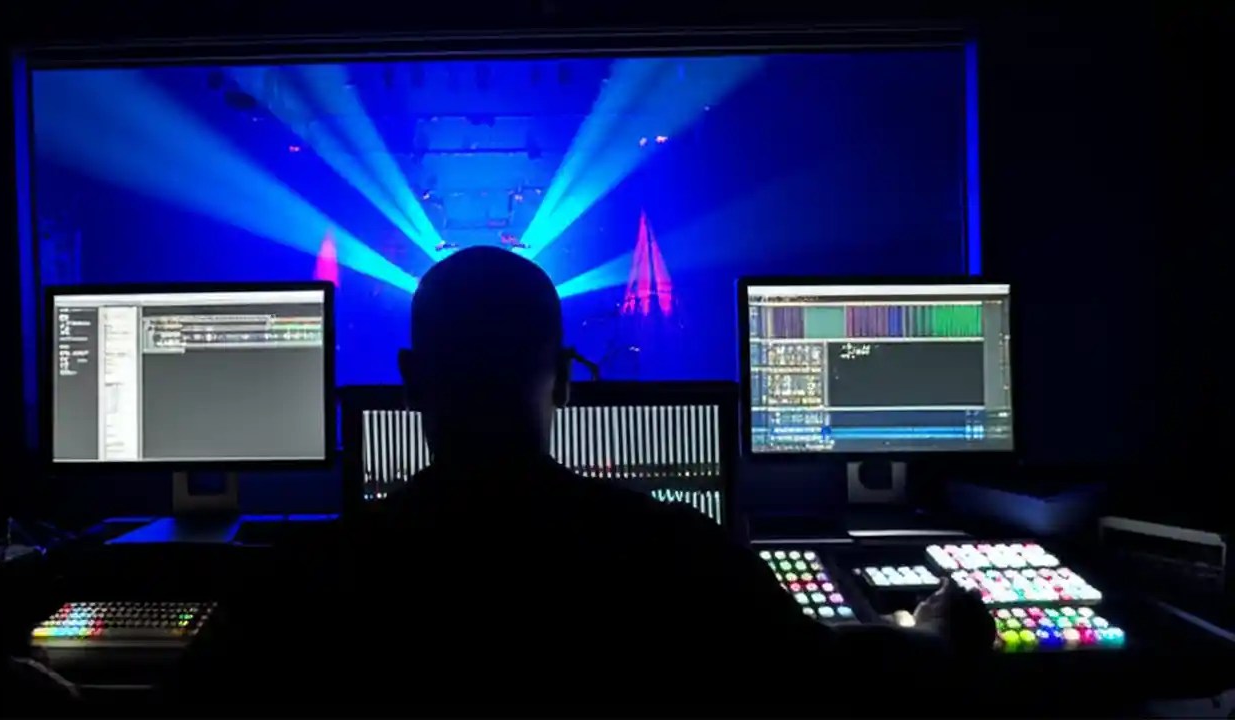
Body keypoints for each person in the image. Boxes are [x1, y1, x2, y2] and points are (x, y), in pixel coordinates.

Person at [191, 247, 994, 717]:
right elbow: (829, 678)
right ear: (568, 382)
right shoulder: (675, 550)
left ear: (410, 381)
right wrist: (928, 634)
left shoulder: (310, 577)